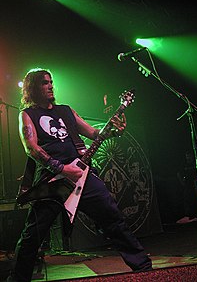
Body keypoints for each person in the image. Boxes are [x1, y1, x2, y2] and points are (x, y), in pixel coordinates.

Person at [7, 68, 152, 281]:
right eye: (44, 83)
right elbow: (31, 148)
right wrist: (62, 168)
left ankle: (143, 266)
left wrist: (115, 130)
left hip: (82, 175)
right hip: (51, 180)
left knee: (112, 218)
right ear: (32, 88)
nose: (50, 86)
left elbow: (94, 133)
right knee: (33, 235)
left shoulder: (66, 111)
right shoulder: (28, 115)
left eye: (51, 82)